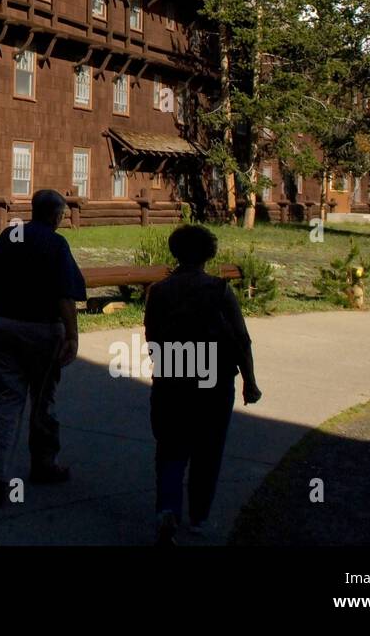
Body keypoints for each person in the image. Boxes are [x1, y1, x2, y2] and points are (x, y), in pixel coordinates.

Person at [143, 224, 261, 544]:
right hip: (213, 378)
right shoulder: (220, 290)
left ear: (175, 251)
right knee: (208, 449)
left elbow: (152, 337)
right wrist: (250, 380)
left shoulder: (159, 291)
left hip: (171, 375)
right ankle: (199, 516)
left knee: (170, 446)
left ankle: (167, 508)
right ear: (209, 254)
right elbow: (241, 338)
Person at [0, 189, 86, 507]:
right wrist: (73, 335)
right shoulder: (56, 244)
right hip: (41, 330)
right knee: (43, 402)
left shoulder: (11, 235)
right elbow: (66, 295)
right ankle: (43, 465)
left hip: (2, 327)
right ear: (56, 215)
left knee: (7, 403)